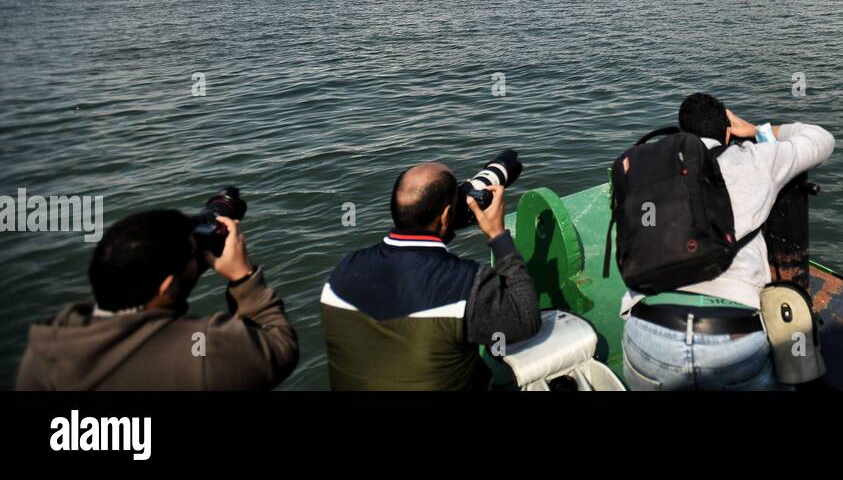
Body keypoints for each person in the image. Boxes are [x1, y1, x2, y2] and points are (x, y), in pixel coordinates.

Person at [619, 92, 835, 391]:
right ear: (728, 132)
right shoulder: (756, 159)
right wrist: (759, 130)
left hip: (646, 333)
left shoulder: (648, 173)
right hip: (732, 342)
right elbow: (820, 139)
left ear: (683, 134)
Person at [16, 209, 298, 390]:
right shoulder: (203, 350)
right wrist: (243, 277)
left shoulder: (45, 350)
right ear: (167, 287)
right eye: (192, 255)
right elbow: (280, 346)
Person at [320, 162, 541, 390]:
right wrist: (498, 236)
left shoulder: (342, 274)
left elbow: (413, 268)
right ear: (447, 215)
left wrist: (443, 227)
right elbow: (526, 319)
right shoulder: (465, 284)